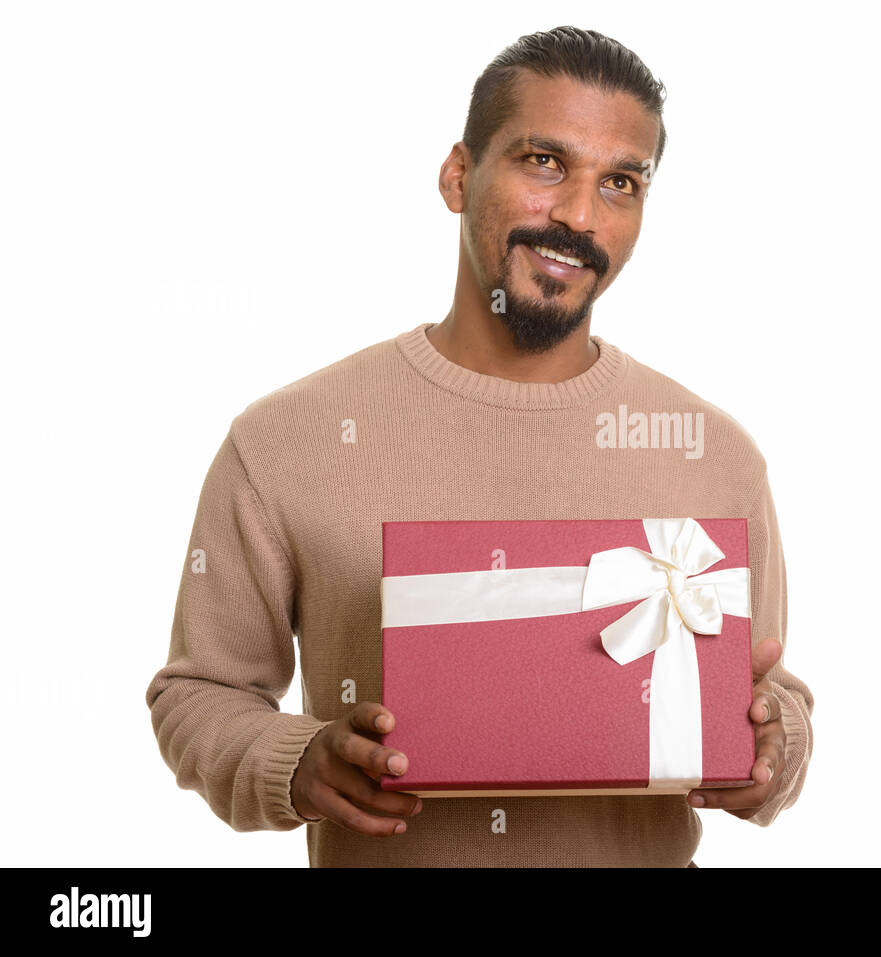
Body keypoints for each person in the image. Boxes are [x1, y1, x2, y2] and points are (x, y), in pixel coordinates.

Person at [146, 24, 813, 867]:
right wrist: (297, 763)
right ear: (458, 175)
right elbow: (200, 692)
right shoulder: (285, 440)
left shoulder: (713, 454)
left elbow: (767, 690)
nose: (578, 215)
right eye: (544, 163)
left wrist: (775, 742)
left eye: (620, 182)